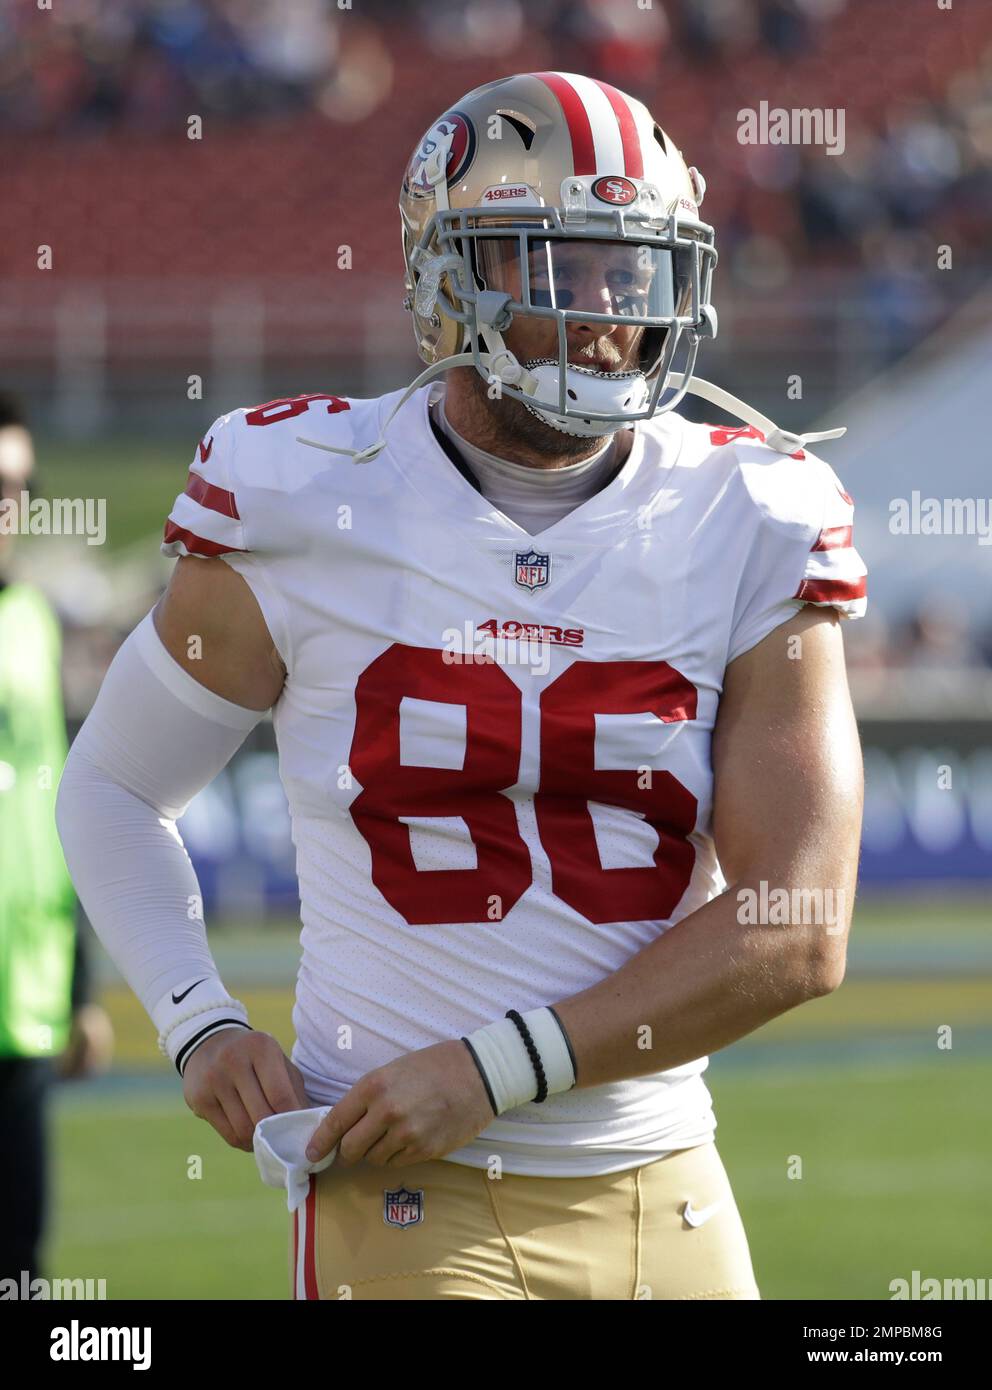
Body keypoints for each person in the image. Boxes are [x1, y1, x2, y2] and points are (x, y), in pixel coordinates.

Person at [56, 71, 866, 1301]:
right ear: (449, 276)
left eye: (629, 270)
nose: (605, 313)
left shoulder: (748, 510)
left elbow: (797, 924)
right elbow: (114, 784)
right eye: (559, 266)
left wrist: (494, 1068)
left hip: (665, 1176)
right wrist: (195, 1016)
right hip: (402, 1179)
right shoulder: (303, 491)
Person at [0, 391, 112, 1287]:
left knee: (23, 1270)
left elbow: (57, 816)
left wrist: (81, 986)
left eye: (22, 486)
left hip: (23, 1002)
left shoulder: (34, 624)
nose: (12, 507)